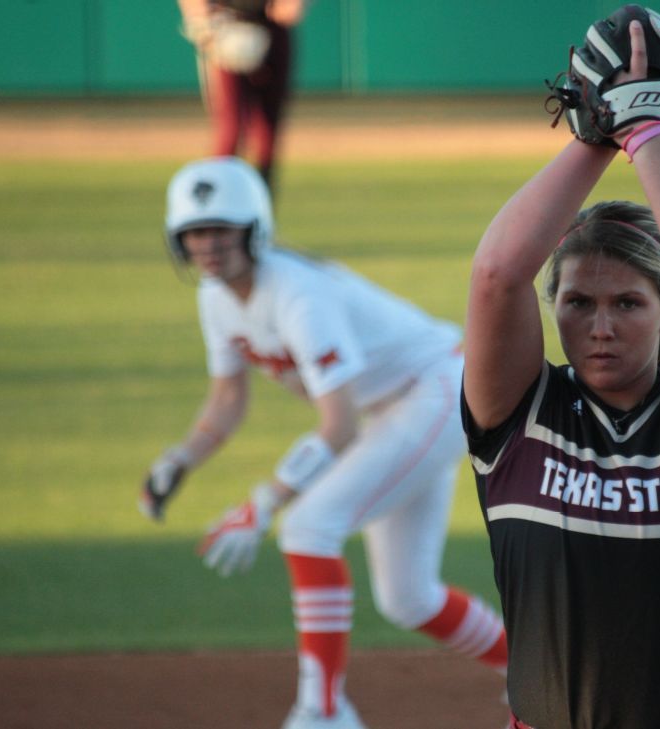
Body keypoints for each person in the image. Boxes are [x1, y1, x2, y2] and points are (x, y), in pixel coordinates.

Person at [461, 20, 660, 729]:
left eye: (629, 303)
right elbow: (494, 276)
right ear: (553, 308)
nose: (600, 326)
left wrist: (647, 137)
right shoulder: (521, 414)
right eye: (577, 302)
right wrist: (592, 137)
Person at [141, 156, 508, 729]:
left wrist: (262, 503)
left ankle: (324, 712)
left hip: (437, 392)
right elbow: (228, 399)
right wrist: (178, 460)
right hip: (400, 405)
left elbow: (338, 427)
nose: (207, 244)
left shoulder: (297, 295)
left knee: (309, 526)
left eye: (219, 229)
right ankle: (534, 675)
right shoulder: (215, 297)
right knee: (408, 598)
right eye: (194, 233)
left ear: (251, 228)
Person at [177, 0, 305, 194]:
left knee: (267, 129)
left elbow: (288, 10)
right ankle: (216, 201)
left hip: (271, 24)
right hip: (227, 25)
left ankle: (261, 210)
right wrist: (198, 16)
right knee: (231, 127)